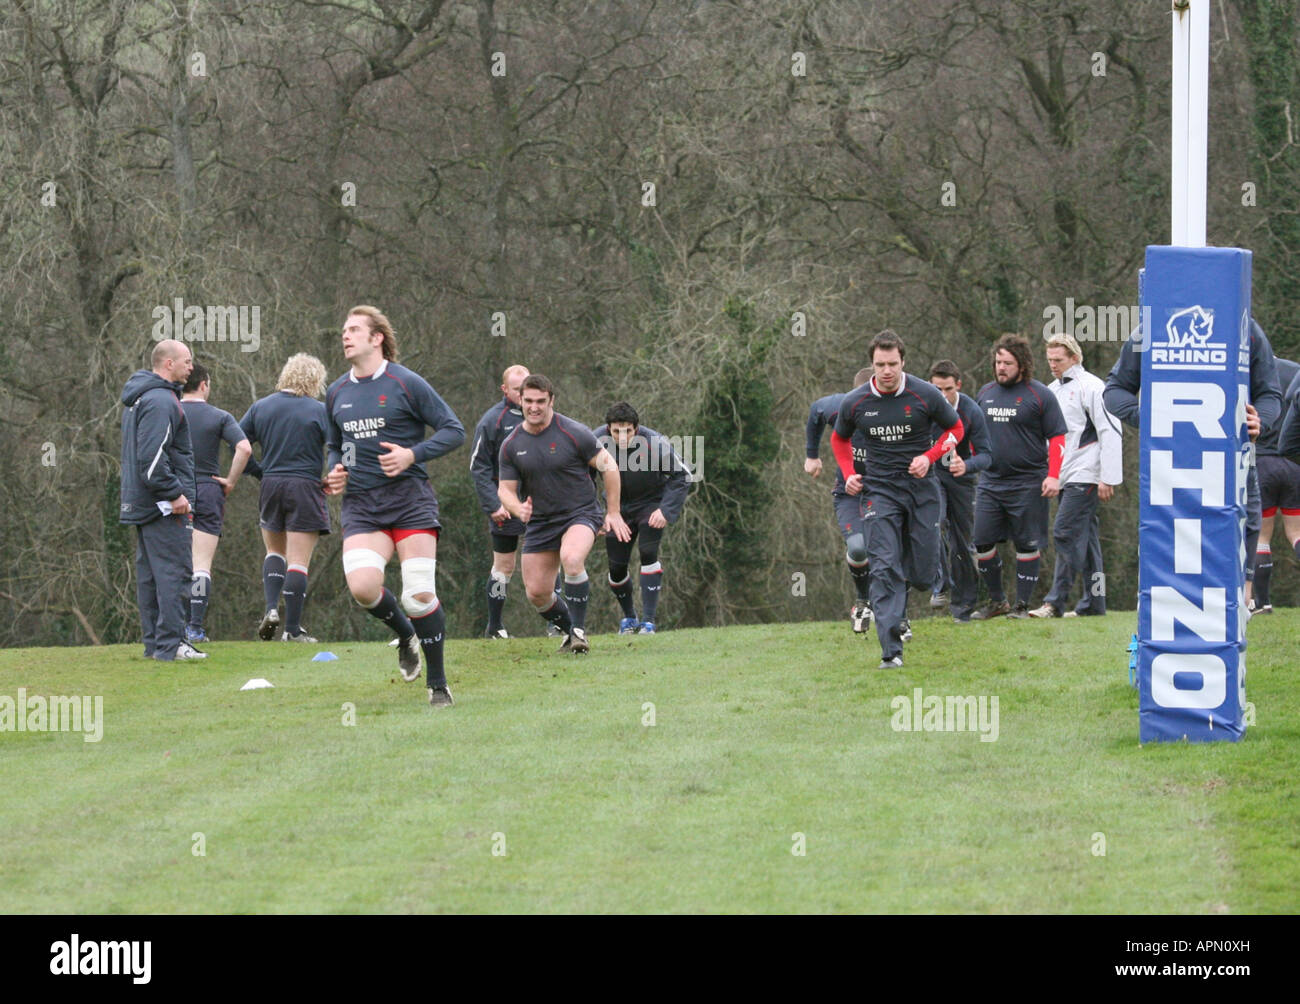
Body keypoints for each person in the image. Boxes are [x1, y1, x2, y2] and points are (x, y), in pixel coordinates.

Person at [324, 306, 466, 707]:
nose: (345, 336)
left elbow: (454, 430)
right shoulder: (336, 392)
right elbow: (336, 444)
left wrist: (412, 455)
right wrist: (335, 469)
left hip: (409, 502)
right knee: (364, 587)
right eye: (343, 331)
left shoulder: (406, 383)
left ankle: (437, 684)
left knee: (418, 593)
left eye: (354, 330)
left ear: (376, 338)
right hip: (362, 506)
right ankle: (406, 635)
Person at [1104, 316, 1281, 613]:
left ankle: (1244, 601)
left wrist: (1259, 418)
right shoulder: (1150, 328)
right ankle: (1170, 612)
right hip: (1171, 460)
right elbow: (1114, 391)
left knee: (1248, 520)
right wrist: (1145, 418)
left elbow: (1270, 394)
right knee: (1170, 533)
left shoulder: (1244, 328)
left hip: (1232, 457)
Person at [831, 331, 963, 668]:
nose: (886, 371)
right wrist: (848, 473)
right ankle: (891, 652)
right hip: (880, 490)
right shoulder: (856, 402)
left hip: (921, 489)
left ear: (903, 362)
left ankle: (922, 572)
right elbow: (839, 440)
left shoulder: (926, 394)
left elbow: (956, 430)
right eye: (879, 365)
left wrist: (930, 456)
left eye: (892, 364)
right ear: (872, 364)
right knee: (884, 567)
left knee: (920, 575)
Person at [496, 374, 630, 654]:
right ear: (520, 400)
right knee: (536, 593)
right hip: (541, 522)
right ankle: (571, 630)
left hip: (579, 514)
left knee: (571, 558)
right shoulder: (511, 444)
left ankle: (578, 633)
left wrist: (613, 512)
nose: (534, 407)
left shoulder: (574, 432)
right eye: (529, 401)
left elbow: (610, 467)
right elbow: (505, 490)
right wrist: (516, 508)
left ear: (551, 400)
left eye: (541, 401)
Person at [970, 333, 1068, 620]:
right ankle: (997, 602)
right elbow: (975, 433)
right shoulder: (985, 393)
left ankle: (1022, 606)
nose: (1001, 367)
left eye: (1007, 363)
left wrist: (1054, 476)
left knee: (1027, 544)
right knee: (981, 542)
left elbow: (1058, 437)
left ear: (1022, 365)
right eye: (998, 362)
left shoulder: (1040, 395)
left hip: (1028, 482)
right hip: (990, 482)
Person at [119, 339, 205, 661]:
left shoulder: (141, 399)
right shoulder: (161, 401)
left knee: (151, 577)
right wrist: (176, 494)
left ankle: (157, 646)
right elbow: (152, 461)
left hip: (142, 503)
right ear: (168, 364)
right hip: (164, 506)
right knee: (174, 574)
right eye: (186, 360)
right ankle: (173, 645)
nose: (191, 366)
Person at [1028, 335, 1123, 619]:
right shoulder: (1050, 390)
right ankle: (1095, 603)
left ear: (1074, 357)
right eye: (1050, 360)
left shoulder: (1093, 387)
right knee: (1089, 541)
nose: (1053, 365)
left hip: (1087, 470)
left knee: (1065, 532)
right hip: (1063, 473)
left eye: (1058, 360)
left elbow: (1110, 429)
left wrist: (1108, 476)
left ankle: (1054, 602)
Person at [240, 354, 331, 642]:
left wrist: (258, 471)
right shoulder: (320, 411)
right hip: (305, 486)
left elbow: (238, 444)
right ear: (315, 380)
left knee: (274, 552)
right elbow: (343, 445)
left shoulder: (261, 407)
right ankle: (292, 630)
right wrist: (338, 473)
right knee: (299, 561)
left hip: (271, 485)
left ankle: (270, 609)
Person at [593, 403, 690, 633]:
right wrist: (596, 515)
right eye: (617, 431)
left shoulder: (655, 442)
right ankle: (629, 619)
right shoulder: (594, 442)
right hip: (616, 509)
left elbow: (682, 475)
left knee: (648, 553)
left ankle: (648, 621)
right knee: (616, 568)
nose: (623, 436)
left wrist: (665, 510)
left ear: (636, 428)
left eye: (628, 430)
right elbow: (579, 479)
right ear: (608, 429)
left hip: (650, 505)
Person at [179, 362, 252, 643]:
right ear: (204, 385)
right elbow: (244, 448)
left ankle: (172, 627)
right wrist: (230, 480)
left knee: (173, 563)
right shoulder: (220, 416)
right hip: (209, 488)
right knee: (201, 564)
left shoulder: (171, 412)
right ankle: (194, 628)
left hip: (175, 491)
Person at [805, 368, 875, 634]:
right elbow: (816, 410)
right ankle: (863, 602)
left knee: (890, 551)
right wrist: (812, 455)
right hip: (849, 492)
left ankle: (897, 614)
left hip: (886, 490)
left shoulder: (896, 409)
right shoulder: (839, 407)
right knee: (858, 548)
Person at [927, 360, 992, 622]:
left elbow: (987, 455)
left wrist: (967, 464)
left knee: (963, 544)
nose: (942, 396)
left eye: (947, 389)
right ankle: (940, 583)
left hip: (962, 481)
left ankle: (963, 607)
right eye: (936, 389)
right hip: (932, 476)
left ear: (958, 386)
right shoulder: (923, 408)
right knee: (935, 522)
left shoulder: (971, 411)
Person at [469, 364, 530, 638]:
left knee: (552, 558)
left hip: (544, 504)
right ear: (505, 390)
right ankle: (494, 627)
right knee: (504, 567)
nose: (524, 394)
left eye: (527, 387)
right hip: (506, 508)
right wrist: (493, 504)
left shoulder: (545, 415)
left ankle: (558, 624)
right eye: (517, 389)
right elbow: (478, 467)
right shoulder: (492, 421)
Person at [1250, 357, 1300, 614]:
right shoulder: (1295, 371)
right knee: (1295, 534)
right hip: (1294, 463)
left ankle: (1263, 602)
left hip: (1263, 463)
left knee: (1262, 536)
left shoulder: (1252, 377)